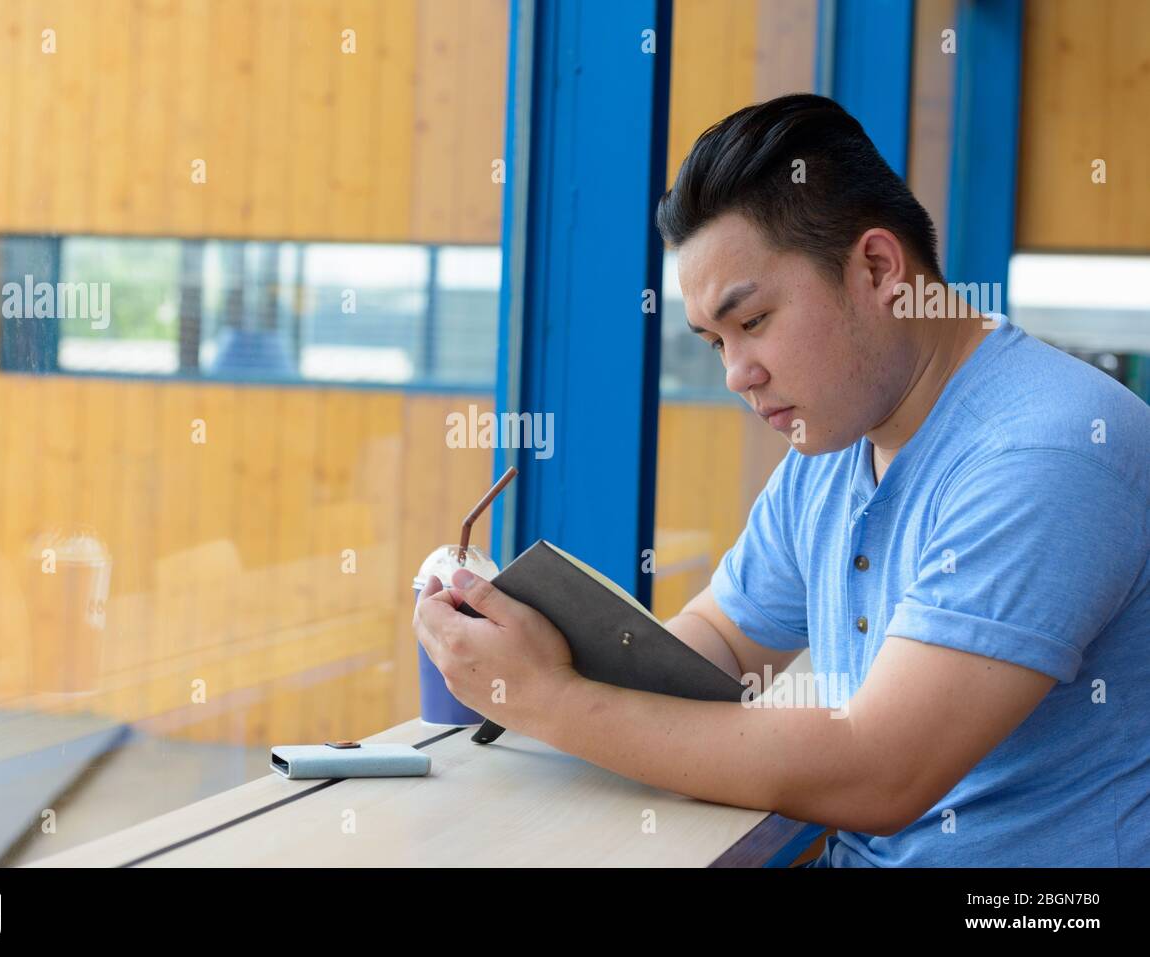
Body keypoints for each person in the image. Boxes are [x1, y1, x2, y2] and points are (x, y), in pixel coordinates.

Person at [414, 93, 1149, 867]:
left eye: (754, 321)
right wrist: (535, 640)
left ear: (876, 268)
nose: (737, 373)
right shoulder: (830, 447)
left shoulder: (1048, 451)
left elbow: (880, 769)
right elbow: (722, 644)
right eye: (714, 341)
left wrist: (551, 699)